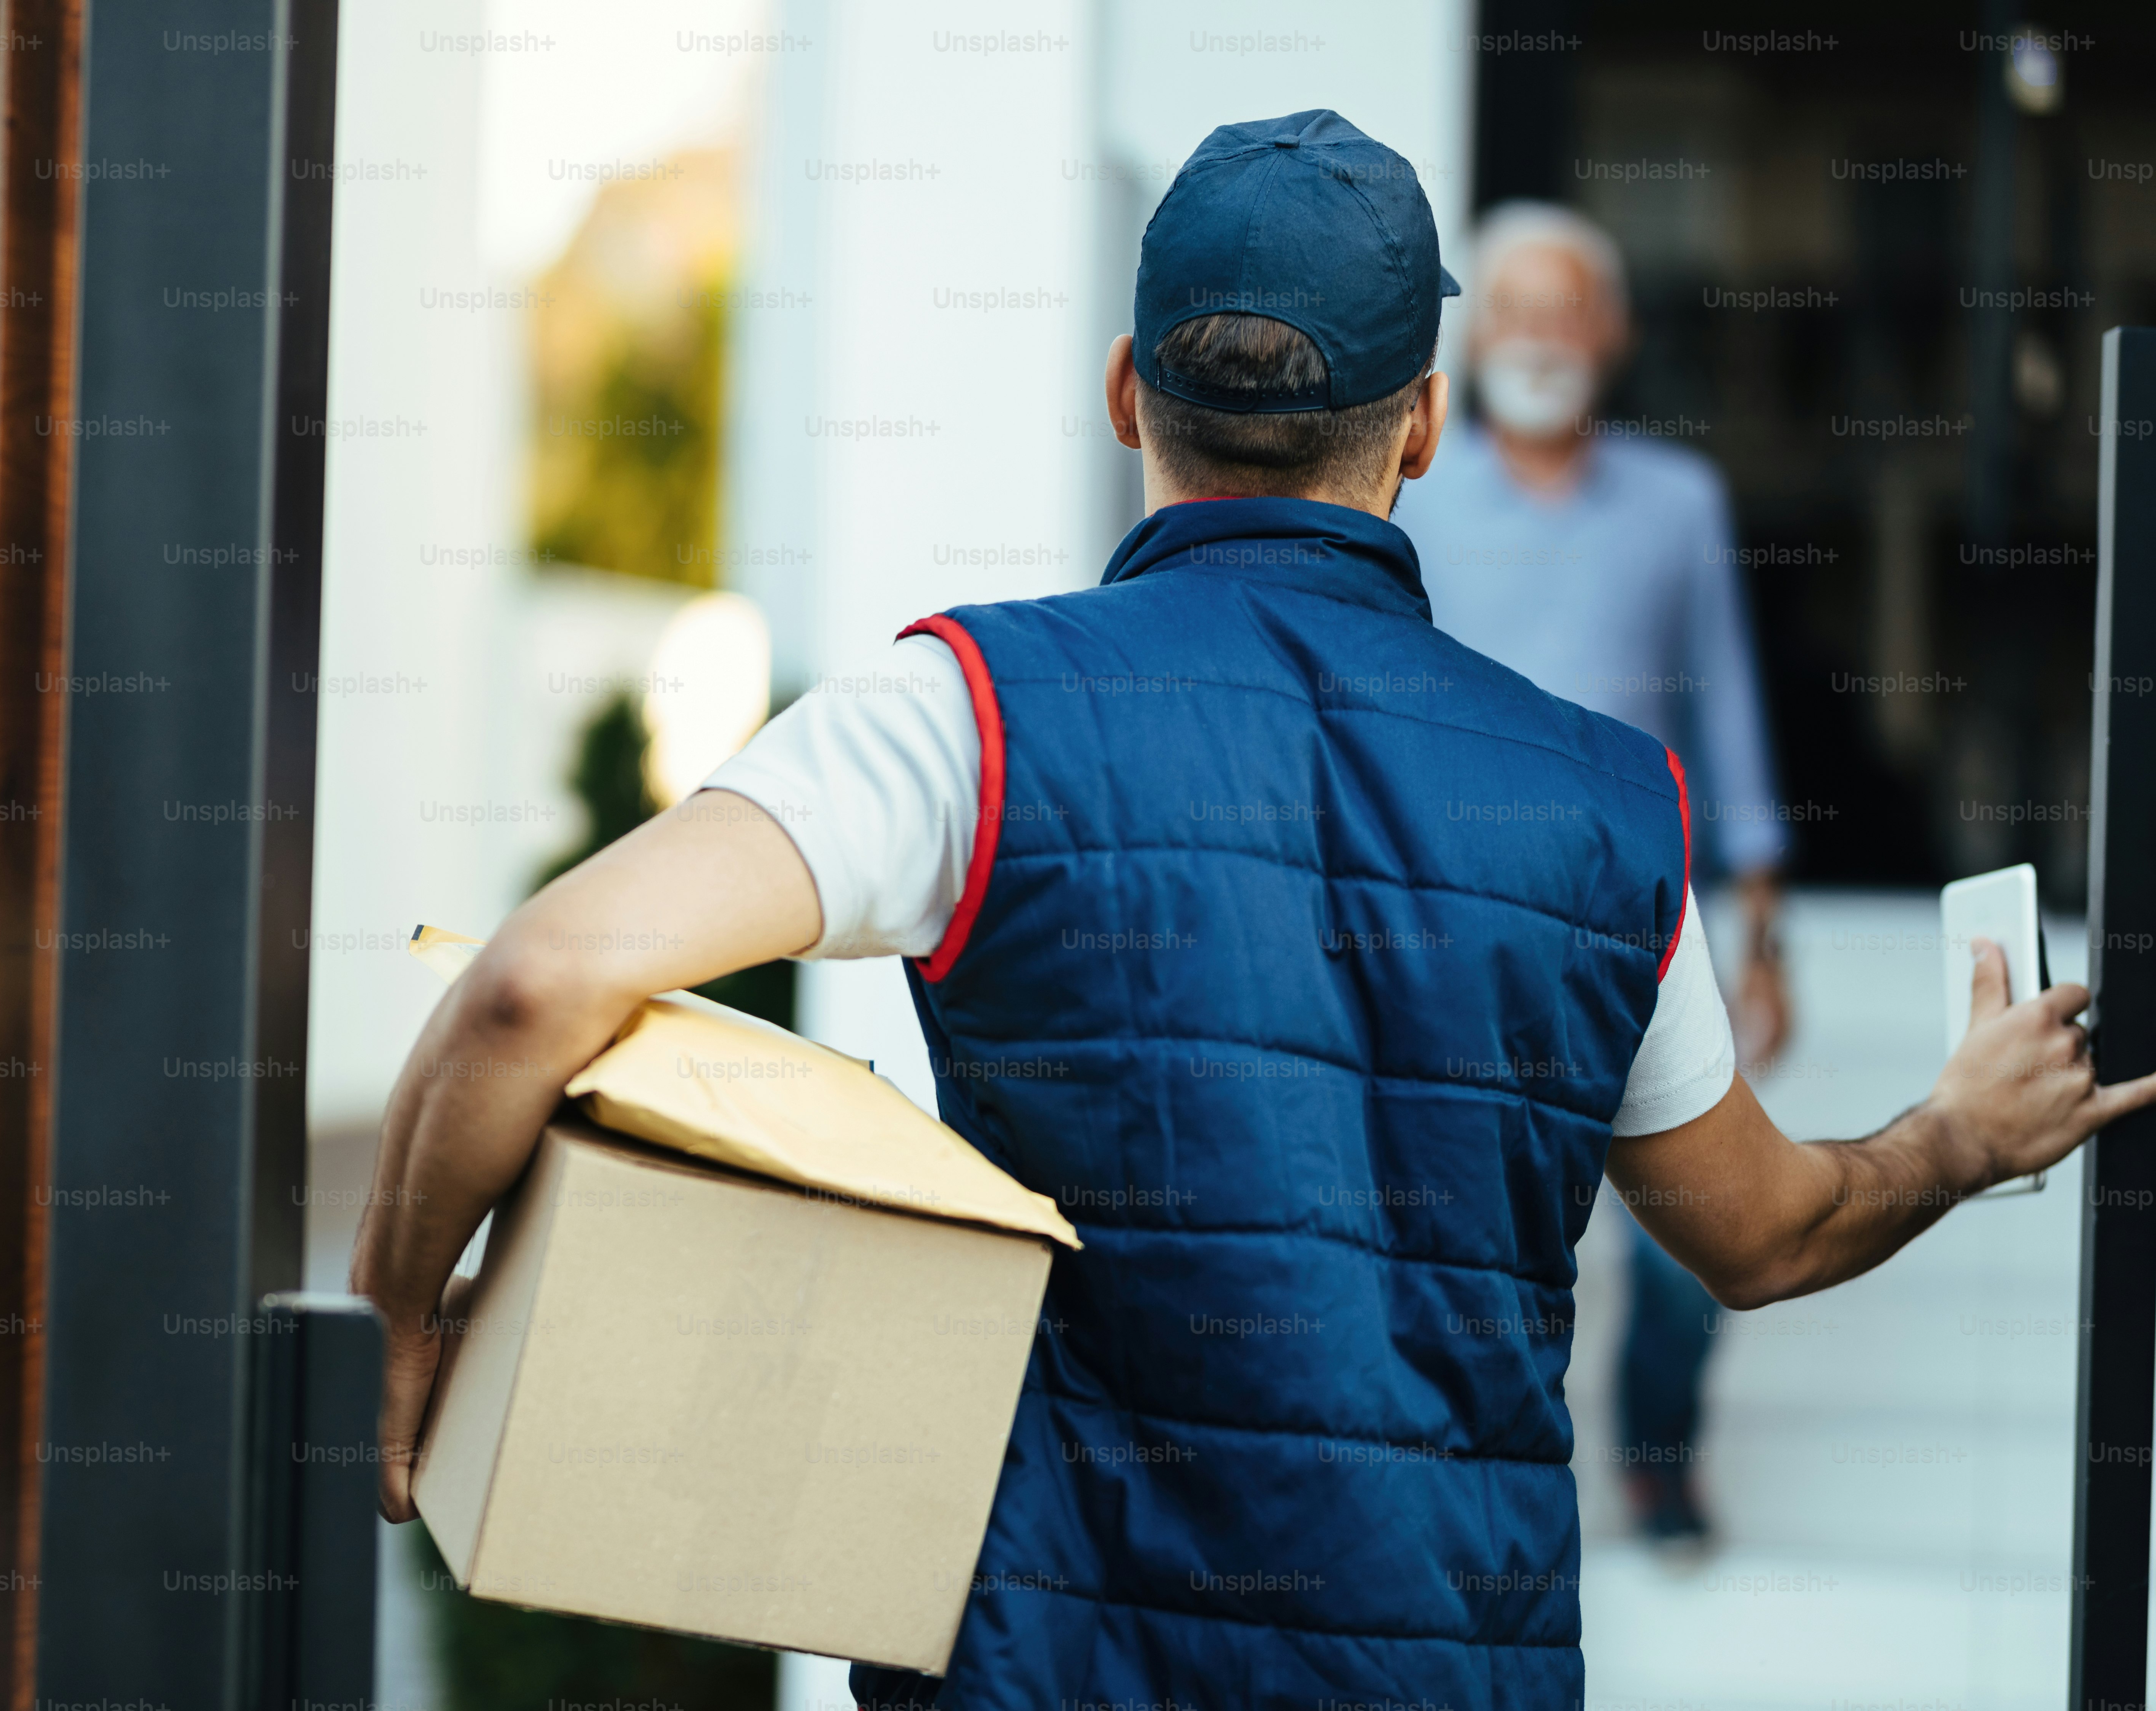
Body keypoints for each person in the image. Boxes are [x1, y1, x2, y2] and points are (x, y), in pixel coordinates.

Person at [349, 111, 2152, 1711]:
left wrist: (403, 1325)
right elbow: (1764, 1236)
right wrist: (1958, 1134)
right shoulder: (1609, 812)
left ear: (1128, 389)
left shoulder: (968, 714)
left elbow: (534, 986)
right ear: (1425, 426)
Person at [1396, 201, 1787, 1548]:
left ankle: (1659, 1465)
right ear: (1474, 338)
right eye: (1515, 309)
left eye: (1568, 309)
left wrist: (1766, 927)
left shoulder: (1680, 504)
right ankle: (1466, 1484)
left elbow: (1726, 705)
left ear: (1611, 334)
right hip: (1456, 933)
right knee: (1462, 1217)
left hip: (1646, 923)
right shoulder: (1416, 497)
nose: (1542, 337)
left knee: (1693, 1223)